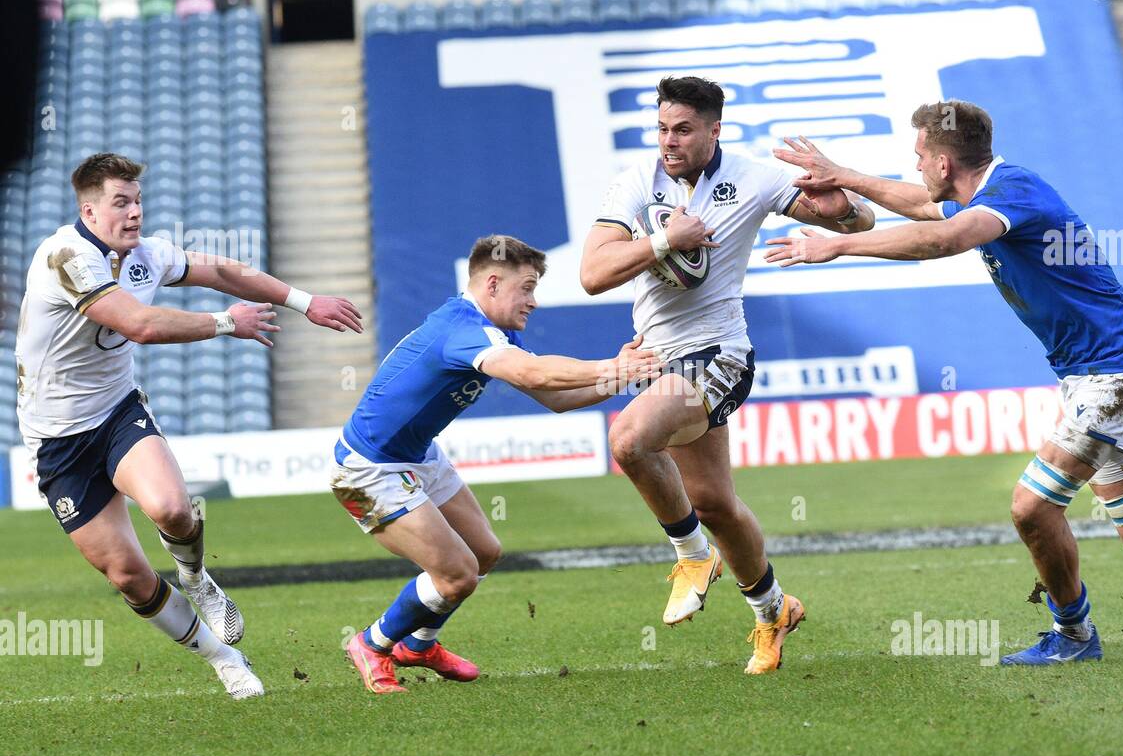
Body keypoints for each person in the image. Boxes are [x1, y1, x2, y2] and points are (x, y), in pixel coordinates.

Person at [764, 101, 1123, 665]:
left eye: (921, 155)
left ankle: (1073, 637)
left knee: (1031, 508)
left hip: (1117, 376)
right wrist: (843, 175)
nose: (916, 165)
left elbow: (944, 239)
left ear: (945, 163)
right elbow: (923, 206)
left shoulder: (1011, 193)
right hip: (1103, 374)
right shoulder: (984, 191)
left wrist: (836, 244)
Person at [15, 152, 364, 698]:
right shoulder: (65, 255)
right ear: (88, 209)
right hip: (56, 438)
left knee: (172, 509)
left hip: (115, 412)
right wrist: (228, 323)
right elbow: (139, 324)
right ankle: (223, 658)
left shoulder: (146, 255)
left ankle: (197, 578)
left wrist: (304, 301)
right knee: (127, 576)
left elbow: (223, 271)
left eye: (137, 201)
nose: (135, 213)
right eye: (121, 203)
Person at [579, 76, 875, 674]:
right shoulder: (636, 183)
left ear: (716, 130)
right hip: (661, 359)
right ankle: (774, 612)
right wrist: (666, 239)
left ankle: (692, 556)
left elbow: (858, 222)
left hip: (719, 355)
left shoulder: (756, 177)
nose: (669, 141)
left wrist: (841, 204)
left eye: (683, 129)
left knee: (630, 440)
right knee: (714, 502)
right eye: (662, 128)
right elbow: (592, 273)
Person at [336, 234, 660, 693]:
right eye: (526, 288)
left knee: (484, 553)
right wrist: (612, 367)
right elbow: (534, 373)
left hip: (417, 454)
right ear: (492, 283)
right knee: (456, 574)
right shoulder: (463, 329)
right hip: (365, 472)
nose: (533, 302)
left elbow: (555, 397)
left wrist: (625, 379)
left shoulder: (491, 331)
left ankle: (420, 645)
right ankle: (372, 643)